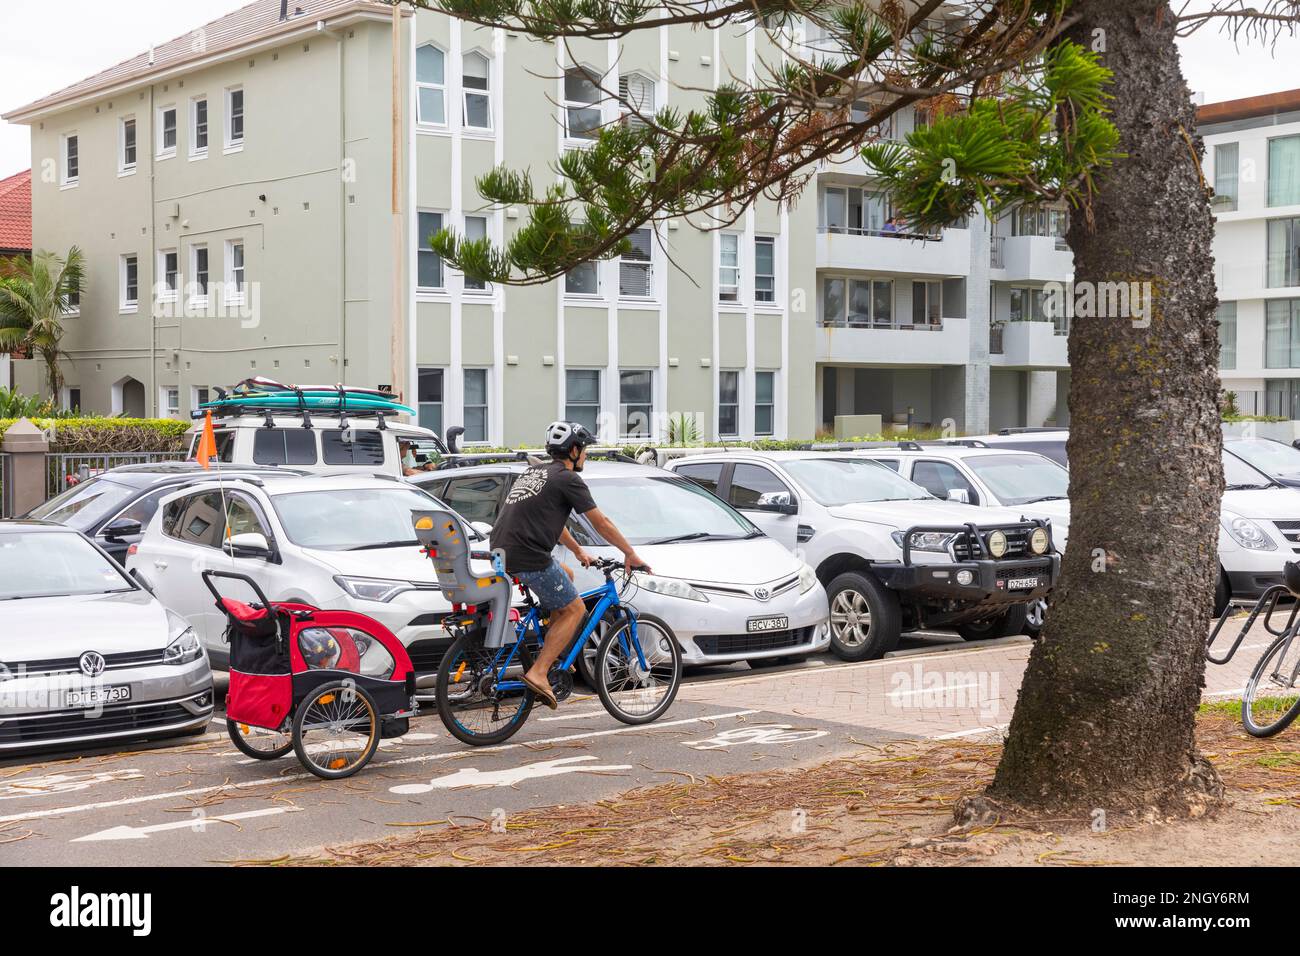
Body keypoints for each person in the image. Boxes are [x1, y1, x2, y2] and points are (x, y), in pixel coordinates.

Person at [490, 421, 651, 708]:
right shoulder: (567, 478)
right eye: (585, 449)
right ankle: (539, 671)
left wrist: (578, 551)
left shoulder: (536, 472)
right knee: (575, 609)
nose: (586, 455)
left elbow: (552, 520)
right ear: (574, 450)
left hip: (504, 551)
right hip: (529, 555)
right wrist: (629, 553)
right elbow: (601, 522)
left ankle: (551, 654)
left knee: (566, 574)